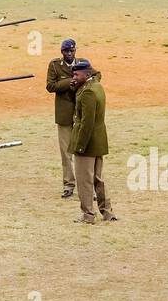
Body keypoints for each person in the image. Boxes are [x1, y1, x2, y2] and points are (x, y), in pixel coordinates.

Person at [69, 59, 117, 225]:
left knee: (84, 181)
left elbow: (86, 123)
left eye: (76, 74)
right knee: (98, 179)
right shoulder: (96, 85)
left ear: (87, 74)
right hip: (98, 141)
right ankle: (107, 212)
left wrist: (79, 146)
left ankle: (88, 215)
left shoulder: (88, 92)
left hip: (87, 143)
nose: (73, 76)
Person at [46, 38, 79, 198]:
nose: (69, 54)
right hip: (64, 114)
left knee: (84, 152)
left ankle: (88, 185)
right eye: (66, 51)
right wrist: (69, 82)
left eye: (72, 51)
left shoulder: (82, 64)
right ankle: (68, 185)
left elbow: (96, 76)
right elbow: (50, 86)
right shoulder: (54, 65)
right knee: (66, 153)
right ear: (61, 52)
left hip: (80, 114)